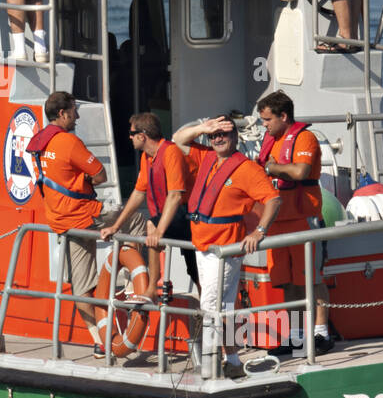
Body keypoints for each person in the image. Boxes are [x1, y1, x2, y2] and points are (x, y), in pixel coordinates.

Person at [25, 91, 143, 357]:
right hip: (86, 214)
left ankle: (101, 342)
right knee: (136, 219)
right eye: (73, 111)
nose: (77, 116)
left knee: (80, 290)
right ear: (62, 114)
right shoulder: (69, 142)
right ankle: (135, 279)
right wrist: (84, 182)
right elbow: (100, 176)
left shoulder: (38, 144)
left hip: (61, 223)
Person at [172, 116, 281, 378]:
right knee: (225, 306)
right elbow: (177, 140)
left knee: (210, 305)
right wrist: (202, 128)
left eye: (224, 134)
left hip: (226, 248)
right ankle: (231, 359)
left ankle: (210, 366)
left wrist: (259, 231)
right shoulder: (206, 157)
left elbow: (273, 199)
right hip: (203, 245)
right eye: (214, 135)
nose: (218, 139)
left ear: (236, 137)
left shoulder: (247, 169)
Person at [255, 91, 333, 355]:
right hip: (278, 221)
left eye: (267, 119)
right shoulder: (272, 142)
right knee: (287, 281)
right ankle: (297, 336)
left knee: (311, 278)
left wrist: (274, 169)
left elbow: (299, 171)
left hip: (303, 219)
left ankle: (321, 333)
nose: (264, 125)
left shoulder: (305, 138)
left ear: (283, 116)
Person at [101, 112, 198, 301]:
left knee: (197, 275)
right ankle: (153, 288)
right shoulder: (148, 157)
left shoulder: (171, 152)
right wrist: (116, 226)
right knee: (152, 226)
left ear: (142, 136)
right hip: (170, 217)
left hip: (189, 217)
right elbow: (138, 193)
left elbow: (175, 195)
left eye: (131, 133)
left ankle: (217, 321)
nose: (129, 137)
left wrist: (159, 230)